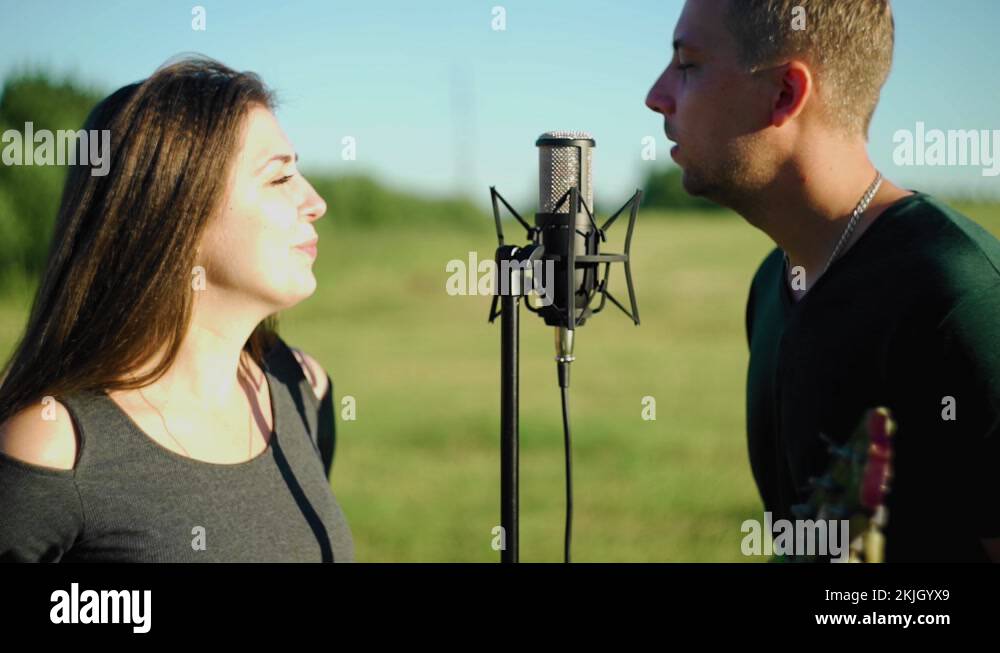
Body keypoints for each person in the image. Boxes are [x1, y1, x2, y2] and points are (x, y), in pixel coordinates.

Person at [645, 0, 1000, 561]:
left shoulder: (962, 298)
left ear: (785, 93)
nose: (656, 95)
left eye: (687, 65)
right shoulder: (772, 285)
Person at [0, 56, 353, 562]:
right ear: (176, 214)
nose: (315, 201)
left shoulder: (303, 389)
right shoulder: (54, 447)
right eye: (280, 179)